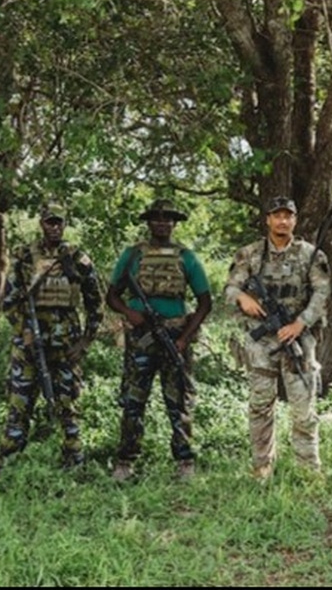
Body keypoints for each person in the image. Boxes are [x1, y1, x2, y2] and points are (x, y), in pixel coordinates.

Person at [0, 202, 104, 474]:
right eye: (49, 222)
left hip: (66, 346)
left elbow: (95, 303)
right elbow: (8, 302)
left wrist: (85, 342)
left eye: (59, 222)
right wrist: (24, 331)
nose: (54, 227)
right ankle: (7, 464)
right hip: (28, 346)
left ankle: (74, 463)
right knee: (19, 405)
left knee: (68, 406)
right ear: (41, 224)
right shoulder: (24, 257)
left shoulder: (78, 259)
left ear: (65, 224)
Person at [224, 196, 330, 480]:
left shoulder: (310, 255)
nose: (283, 221)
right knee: (260, 405)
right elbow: (230, 288)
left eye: (288, 216)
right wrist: (243, 298)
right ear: (268, 220)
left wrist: (300, 324)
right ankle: (262, 466)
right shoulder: (250, 254)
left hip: (298, 338)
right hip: (262, 341)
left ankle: (308, 470)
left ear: (294, 220)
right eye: (277, 216)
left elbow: (321, 293)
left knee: (304, 407)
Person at [108, 199, 212, 481]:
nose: (162, 223)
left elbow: (205, 303)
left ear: (174, 223)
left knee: (179, 401)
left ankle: (185, 460)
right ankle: (125, 461)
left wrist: (185, 339)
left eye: (167, 219)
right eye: (156, 218)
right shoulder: (132, 255)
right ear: (149, 222)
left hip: (174, 336)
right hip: (140, 337)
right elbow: (112, 295)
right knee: (133, 399)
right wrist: (129, 312)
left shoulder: (186, 257)